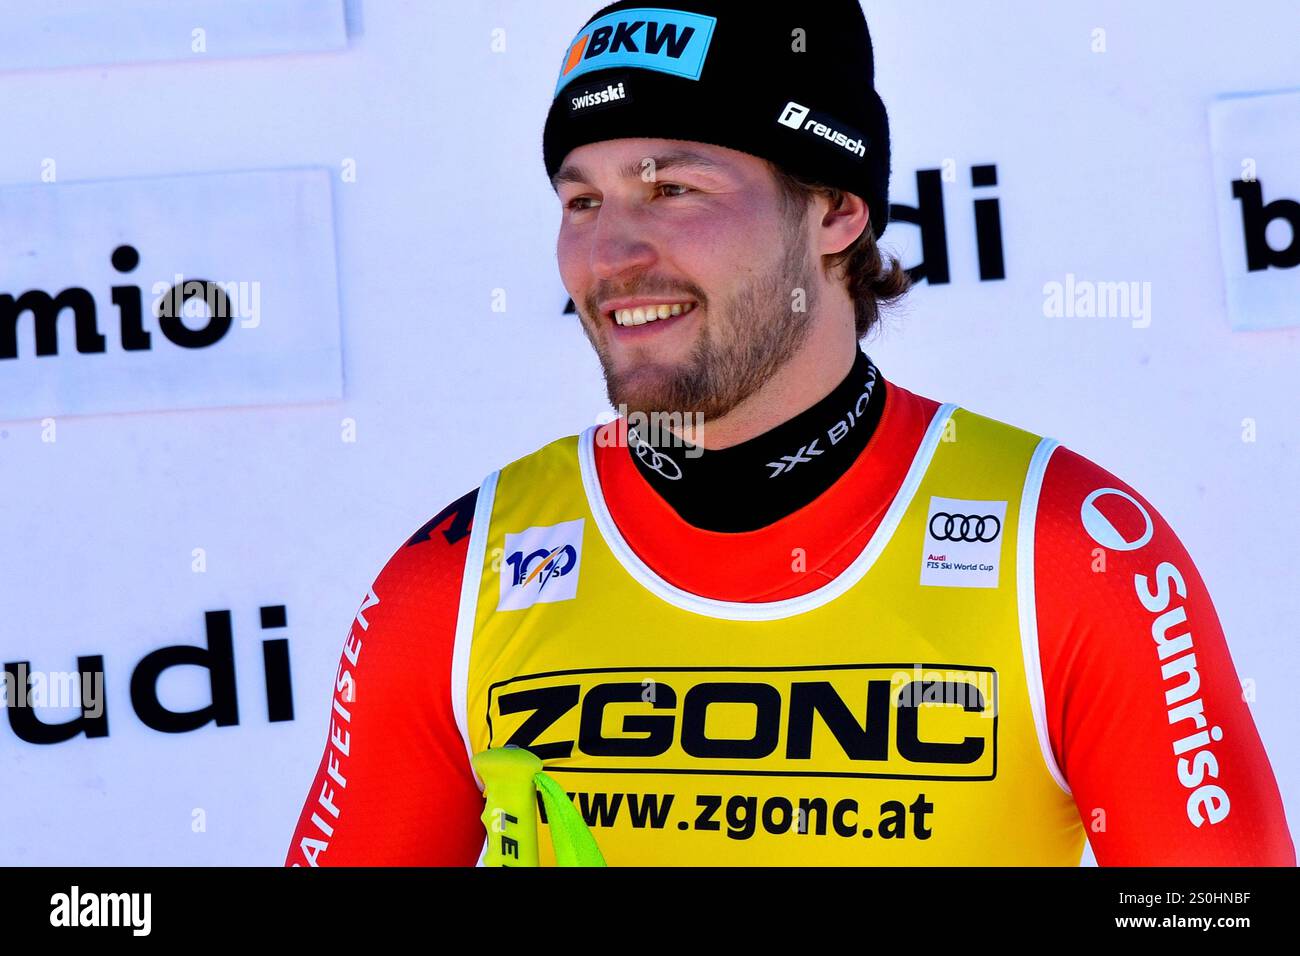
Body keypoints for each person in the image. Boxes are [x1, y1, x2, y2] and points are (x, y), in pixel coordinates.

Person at [285, 0, 1294, 866]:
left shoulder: (1071, 555)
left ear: (836, 211)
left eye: (672, 188)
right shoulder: (455, 582)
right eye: (580, 199)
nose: (609, 252)